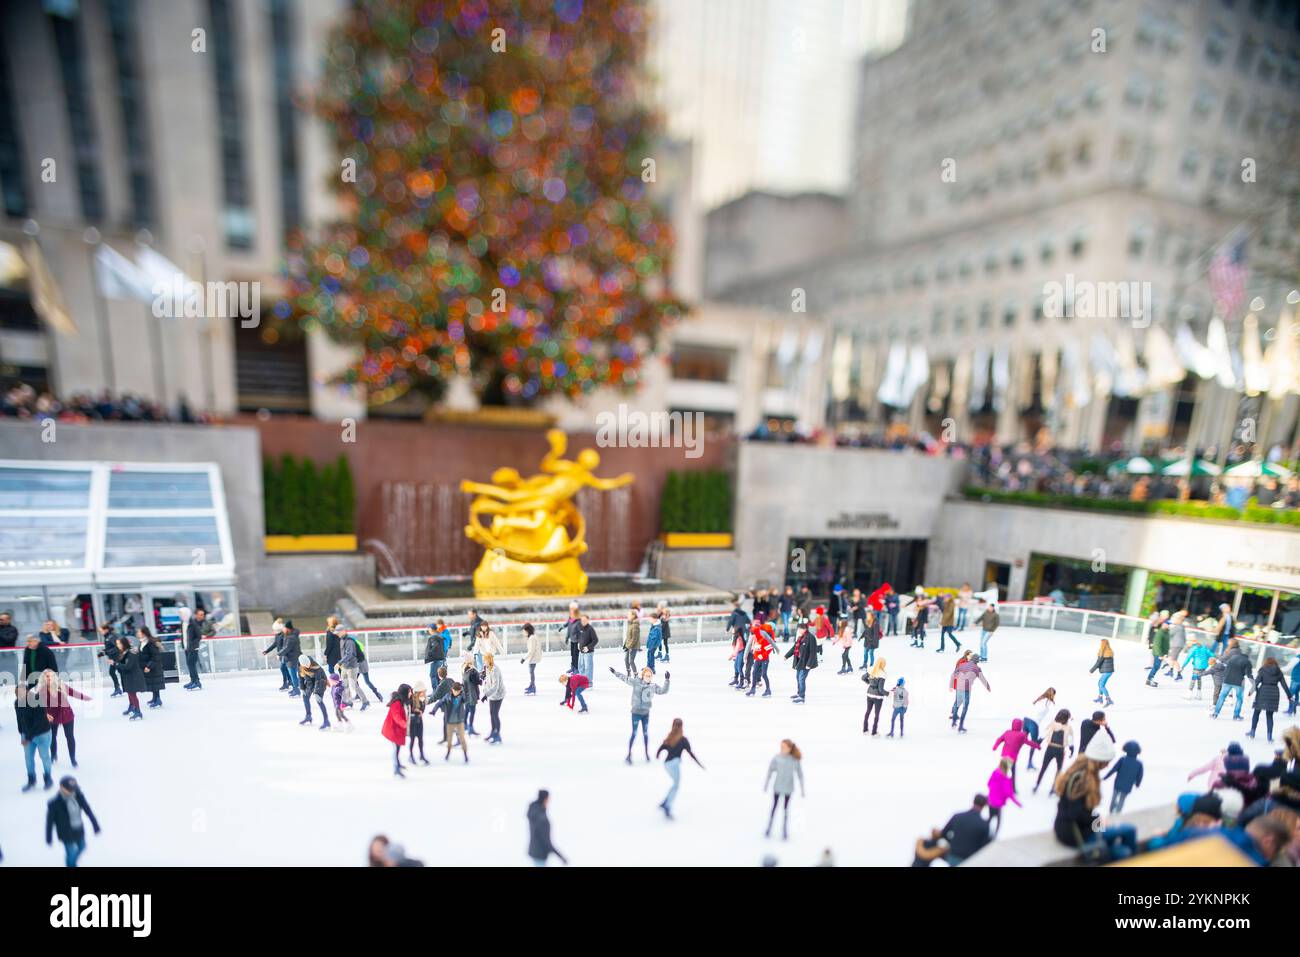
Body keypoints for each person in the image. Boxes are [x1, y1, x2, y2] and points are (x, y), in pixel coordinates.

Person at [1053, 735, 1137, 860]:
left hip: (1063, 828)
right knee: (1130, 831)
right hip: (1073, 834)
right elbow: (1076, 814)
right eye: (1106, 762)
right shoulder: (1083, 780)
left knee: (1115, 841)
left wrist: (1097, 820)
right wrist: (1098, 820)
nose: (1108, 765)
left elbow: (1077, 809)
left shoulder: (1079, 770)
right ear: (1098, 761)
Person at [611, 666, 670, 763]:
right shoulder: (636, 683)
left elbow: (663, 691)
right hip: (636, 713)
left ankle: (647, 754)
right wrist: (615, 672)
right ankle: (629, 755)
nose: (649, 678)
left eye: (650, 676)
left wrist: (667, 680)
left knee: (645, 734)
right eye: (647, 676)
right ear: (643, 676)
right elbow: (625, 678)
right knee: (634, 734)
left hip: (645, 713)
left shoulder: (653, 686)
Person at [45, 776, 100, 868]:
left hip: (78, 829)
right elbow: (49, 822)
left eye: (73, 789)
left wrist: (95, 825)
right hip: (66, 833)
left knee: (82, 847)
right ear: (61, 787)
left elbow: (88, 810)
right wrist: (49, 837)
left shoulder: (78, 796)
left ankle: (72, 862)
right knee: (71, 852)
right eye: (69, 789)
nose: (71, 791)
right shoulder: (54, 804)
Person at [656, 717, 705, 820]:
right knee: (676, 785)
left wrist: (658, 754)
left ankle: (665, 801)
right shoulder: (683, 740)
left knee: (674, 784)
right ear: (682, 726)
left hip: (666, 765)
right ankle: (667, 806)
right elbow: (691, 754)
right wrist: (699, 764)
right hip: (674, 764)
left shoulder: (670, 737)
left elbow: (661, 748)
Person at [40, 670, 89, 767]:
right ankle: (53, 756)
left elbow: (74, 693)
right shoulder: (42, 690)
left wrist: (87, 698)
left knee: (70, 737)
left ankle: (73, 759)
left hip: (66, 714)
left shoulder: (62, 686)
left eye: (50, 676)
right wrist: (45, 714)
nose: (49, 678)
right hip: (52, 716)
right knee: (52, 737)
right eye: (46, 677)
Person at [16, 676, 54, 790]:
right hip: (27, 735)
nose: (20, 694)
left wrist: (27, 737)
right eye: (17, 692)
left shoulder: (37, 701)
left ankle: (48, 778)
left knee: (44, 757)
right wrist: (22, 733)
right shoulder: (17, 703)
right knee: (28, 758)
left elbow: (39, 722)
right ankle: (31, 779)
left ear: (28, 691)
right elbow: (19, 719)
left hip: (42, 733)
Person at [763, 739, 805, 840]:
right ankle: (769, 828)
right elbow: (770, 771)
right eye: (781, 747)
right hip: (777, 787)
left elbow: (800, 775)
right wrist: (766, 784)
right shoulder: (777, 758)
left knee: (786, 809)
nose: (782, 749)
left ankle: (784, 830)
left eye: (784, 747)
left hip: (788, 789)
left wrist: (802, 789)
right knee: (774, 807)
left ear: (789, 749)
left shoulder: (794, 760)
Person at [1248, 656, 1292, 742]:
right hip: (1274, 693)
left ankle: (1252, 732)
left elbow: (1256, 682)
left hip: (1263, 692)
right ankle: (1269, 736)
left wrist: (1250, 692)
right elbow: (1284, 685)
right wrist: (1289, 696)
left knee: (1256, 713)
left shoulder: (1263, 670)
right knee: (1269, 716)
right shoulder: (1278, 671)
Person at [940, 794, 991, 865]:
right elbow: (984, 847)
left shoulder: (957, 817)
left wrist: (952, 842)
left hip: (953, 857)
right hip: (970, 860)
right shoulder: (984, 825)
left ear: (973, 801)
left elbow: (943, 834)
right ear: (984, 806)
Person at [992, 718, 1040, 790]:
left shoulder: (1007, 732)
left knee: (1002, 771)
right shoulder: (1022, 735)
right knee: (1011, 772)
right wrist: (1037, 746)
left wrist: (995, 746)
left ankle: (1000, 785)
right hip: (1012, 757)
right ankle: (1010, 788)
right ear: (1020, 726)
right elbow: (1029, 742)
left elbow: (999, 739)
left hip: (1004, 755)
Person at [1033, 709, 1074, 793]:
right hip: (1060, 750)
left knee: (1043, 767)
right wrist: (1071, 748)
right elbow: (1070, 740)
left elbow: (1045, 733)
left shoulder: (1052, 724)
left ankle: (1037, 785)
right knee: (1059, 769)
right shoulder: (1068, 727)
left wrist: (1039, 742)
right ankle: (1053, 788)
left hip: (1050, 748)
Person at [950, 650, 990, 732]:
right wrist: (988, 687)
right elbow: (982, 679)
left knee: (957, 704)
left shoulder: (962, 665)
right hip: (966, 690)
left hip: (959, 688)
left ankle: (954, 722)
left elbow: (953, 675)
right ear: (977, 661)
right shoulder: (977, 668)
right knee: (965, 707)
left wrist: (951, 685)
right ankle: (960, 726)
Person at [1212, 642, 1255, 721]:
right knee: (1239, 699)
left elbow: (1227, 668)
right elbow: (1249, 674)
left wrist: (1224, 677)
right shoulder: (1247, 661)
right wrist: (1253, 683)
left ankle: (1215, 713)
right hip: (1238, 682)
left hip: (1227, 680)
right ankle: (1236, 715)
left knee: (1222, 696)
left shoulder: (1233, 657)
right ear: (1249, 653)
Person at [431, 681, 470, 762]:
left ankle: (465, 754)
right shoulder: (447, 696)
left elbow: (467, 698)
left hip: (459, 722)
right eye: (455, 690)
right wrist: (434, 711)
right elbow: (439, 703)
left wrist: (464, 691)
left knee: (462, 739)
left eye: (458, 691)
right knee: (449, 740)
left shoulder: (462, 697)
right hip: (450, 722)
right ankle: (448, 752)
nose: (456, 692)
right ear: (452, 689)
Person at [527, 790, 567, 866]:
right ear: (546, 799)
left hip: (534, 851)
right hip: (540, 854)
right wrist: (560, 856)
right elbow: (546, 842)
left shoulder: (534, 811)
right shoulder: (541, 818)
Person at [1104, 741, 1144, 813]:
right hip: (1128, 785)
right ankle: (1118, 813)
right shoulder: (1139, 764)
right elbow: (1140, 775)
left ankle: (1110, 811)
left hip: (1118, 783)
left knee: (1114, 797)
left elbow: (1114, 769)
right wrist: (1138, 784)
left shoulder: (1122, 759)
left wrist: (1105, 777)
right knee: (1122, 799)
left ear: (1126, 749)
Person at [785, 620, 819, 704]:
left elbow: (813, 652)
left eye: (800, 629)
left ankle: (802, 697)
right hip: (800, 662)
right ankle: (799, 693)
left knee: (801, 678)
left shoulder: (811, 638)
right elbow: (794, 648)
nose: (798, 630)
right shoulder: (800, 637)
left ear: (805, 629)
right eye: (798, 629)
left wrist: (809, 664)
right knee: (798, 677)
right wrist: (786, 656)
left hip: (806, 663)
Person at [381, 684, 411, 777]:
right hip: (392, 729)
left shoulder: (401, 701)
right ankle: (396, 768)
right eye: (409, 691)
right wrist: (404, 724)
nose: (410, 693)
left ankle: (398, 764)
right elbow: (396, 716)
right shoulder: (397, 703)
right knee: (396, 749)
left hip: (396, 729)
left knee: (397, 749)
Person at [1024, 688, 1056, 770]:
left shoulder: (1039, 699)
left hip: (1025, 720)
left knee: (1021, 740)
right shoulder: (1049, 703)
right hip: (1033, 723)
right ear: (1053, 694)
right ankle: (1029, 763)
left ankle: (1011, 758)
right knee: (1034, 743)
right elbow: (1053, 717)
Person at [114, 636, 145, 720]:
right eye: (117, 644)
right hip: (127, 676)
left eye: (119, 644)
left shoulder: (131, 652)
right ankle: (132, 707)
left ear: (124, 643)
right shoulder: (123, 652)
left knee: (132, 694)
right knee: (129, 693)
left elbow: (128, 666)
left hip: (133, 676)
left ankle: (138, 712)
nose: (118, 645)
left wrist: (117, 664)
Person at [338, 628, 369, 711]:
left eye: (339, 632)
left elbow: (349, 654)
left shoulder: (349, 641)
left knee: (353, 685)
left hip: (352, 666)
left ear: (343, 631)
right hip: (344, 666)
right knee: (345, 684)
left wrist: (339, 662)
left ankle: (365, 701)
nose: (337, 634)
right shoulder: (341, 640)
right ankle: (348, 702)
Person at [987, 759, 1020, 836]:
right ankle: (995, 834)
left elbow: (988, 784)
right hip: (998, 804)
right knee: (998, 819)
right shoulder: (1006, 780)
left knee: (990, 817)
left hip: (991, 801)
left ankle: (986, 830)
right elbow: (1009, 794)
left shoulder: (994, 773)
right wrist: (1018, 804)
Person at [298, 655, 330, 730]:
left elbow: (317, 680)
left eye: (309, 665)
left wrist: (316, 693)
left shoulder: (316, 666)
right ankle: (308, 716)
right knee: (305, 697)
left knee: (319, 701)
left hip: (320, 682)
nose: (308, 666)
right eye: (306, 666)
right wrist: (302, 687)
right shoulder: (299, 664)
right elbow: (300, 676)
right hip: (309, 682)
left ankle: (326, 721)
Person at [183, 607, 212, 691]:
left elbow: (211, 631)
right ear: (195, 615)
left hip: (200, 646)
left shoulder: (206, 623)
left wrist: (206, 636)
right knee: (191, 664)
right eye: (199, 614)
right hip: (192, 646)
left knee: (197, 663)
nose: (201, 616)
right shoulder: (191, 622)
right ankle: (194, 680)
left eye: (202, 615)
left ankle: (196, 681)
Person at [481, 653, 506, 744]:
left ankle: (497, 735)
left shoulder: (495, 670)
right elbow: (488, 681)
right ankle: (492, 732)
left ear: (489, 660)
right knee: (492, 713)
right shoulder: (487, 668)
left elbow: (495, 687)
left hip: (498, 695)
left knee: (495, 714)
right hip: (491, 694)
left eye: (485, 660)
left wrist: (486, 695)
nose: (484, 662)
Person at [746, 625, 777, 697]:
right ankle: (752, 689)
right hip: (758, 660)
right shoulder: (755, 640)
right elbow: (756, 650)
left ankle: (768, 690)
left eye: (753, 634)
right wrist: (755, 655)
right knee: (754, 673)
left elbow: (769, 648)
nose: (752, 636)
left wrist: (762, 655)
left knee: (764, 674)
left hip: (765, 659)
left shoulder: (764, 639)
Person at [862, 658, 888, 735]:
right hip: (878, 697)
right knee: (876, 714)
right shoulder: (882, 674)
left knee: (868, 711)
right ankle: (874, 732)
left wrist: (869, 683)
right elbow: (880, 689)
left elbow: (863, 678)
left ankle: (865, 729)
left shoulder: (871, 670)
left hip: (869, 694)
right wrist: (888, 694)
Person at [263, 618, 291, 691]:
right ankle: (290, 682)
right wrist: (267, 651)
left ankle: (286, 683)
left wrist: (280, 654)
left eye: (275, 629)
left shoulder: (284, 635)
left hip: (285, 654)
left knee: (283, 668)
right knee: (286, 669)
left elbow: (286, 646)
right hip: (281, 655)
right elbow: (275, 644)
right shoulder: (277, 635)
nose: (274, 631)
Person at [95, 624, 122, 697]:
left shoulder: (112, 636)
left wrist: (106, 652)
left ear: (106, 630)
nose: (100, 632)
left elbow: (116, 648)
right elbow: (108, 648)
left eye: (101, 631)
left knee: (121, 672)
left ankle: (123, 688)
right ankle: (118, 688)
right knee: (112, 672)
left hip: (117, 657)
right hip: (113, 657)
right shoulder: (107, 637)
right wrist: (101, 654)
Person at [1145, 612, 1170, 687]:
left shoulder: (1165, 632)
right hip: (1158, 652)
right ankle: (1149, 679)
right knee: (1156, 666)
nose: (1169, 626)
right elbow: (1158, 644)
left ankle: (1150, 679)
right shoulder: (1160, 632)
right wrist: (1160, 654)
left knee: (1157, 666)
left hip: (1161, 652)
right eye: (1167, 624)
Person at [1089, 638, 1116, 706]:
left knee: (1101, 685)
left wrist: (1091, 671)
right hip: (1109, 672)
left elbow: (1098, 663)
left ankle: (1108, 699)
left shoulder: (1103, 653)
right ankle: (1100, 698)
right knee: (1100, 683)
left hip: (1107, 672)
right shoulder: (1109, 651)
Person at [461, 656, 483, 736]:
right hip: (472, 694)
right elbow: (476, 681)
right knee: (472, 712)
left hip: (465, 693)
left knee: (466, 710)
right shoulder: (472, 671)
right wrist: (481, 680)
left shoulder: (463, 668)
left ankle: (465, 725)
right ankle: (471, 728)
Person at [407, 682, 428, 764]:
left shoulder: (422, 699)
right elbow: (410, 709)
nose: (425, 693)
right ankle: (411, 755)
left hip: (419, 721)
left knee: (420, 739)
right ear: (419, 691)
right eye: (424, 691)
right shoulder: (411, 699)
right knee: (412, 740)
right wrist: (416, 711)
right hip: (413, 722)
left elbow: (422, 711)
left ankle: (421, 755)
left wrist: (422, 704)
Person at [423, 621, 447, 686]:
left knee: (433, 675)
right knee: (438, 676)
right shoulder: (439, 635)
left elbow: (435, 645)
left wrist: (429, 653)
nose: (428, 630)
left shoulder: (433, 637)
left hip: (436, 660)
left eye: (429, 629)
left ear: (431, 629)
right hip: (441, 659)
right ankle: (438, 691)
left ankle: (435, 691)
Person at [521, 622, 541, 694]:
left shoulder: (532, 638)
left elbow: (531, 651)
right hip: (533, 657)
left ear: (527, 630)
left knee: (531, 672)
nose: (523, 633)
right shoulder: (532, 637)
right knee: (531, 672)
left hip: (533, 658)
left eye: (524, 631)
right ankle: (532, 685)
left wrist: (524, 658)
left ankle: (533, 687)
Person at [564, 601, 582, 673]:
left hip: (577, 641)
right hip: (572, 640)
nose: (570, 611)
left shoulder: (579, 620)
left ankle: (577, 669)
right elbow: (568, 627)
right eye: (570, 609)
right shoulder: (570, 618)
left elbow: (581, 632)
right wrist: (567, 637)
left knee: (576, 655)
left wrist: (580, 642)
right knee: (572, 655)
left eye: (572, 609)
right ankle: (573, 667)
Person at [622, 608, 641, 676]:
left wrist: (629, 647)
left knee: (631, 661)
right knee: (626, 660)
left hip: (633, 646)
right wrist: (625, 645)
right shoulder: (630, 624)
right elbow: (628, 636)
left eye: (629, 615)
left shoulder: (635, 625)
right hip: (628, 645)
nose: (628, 616)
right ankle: (628, 671)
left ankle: (635, 674)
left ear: (633, 615)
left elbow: (634, 639)